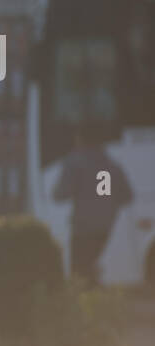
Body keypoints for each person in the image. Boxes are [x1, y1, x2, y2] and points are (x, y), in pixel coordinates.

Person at [51, 121, 133, 284]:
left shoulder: (75, 162)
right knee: (91, 265)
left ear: (80, 139)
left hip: (83, 227)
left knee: (79, 273)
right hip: (106, 227)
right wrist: (107, 202)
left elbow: (60, 194)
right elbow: (127, 197)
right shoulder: (112, 165)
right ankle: (96, 297)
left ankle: (87, 303)